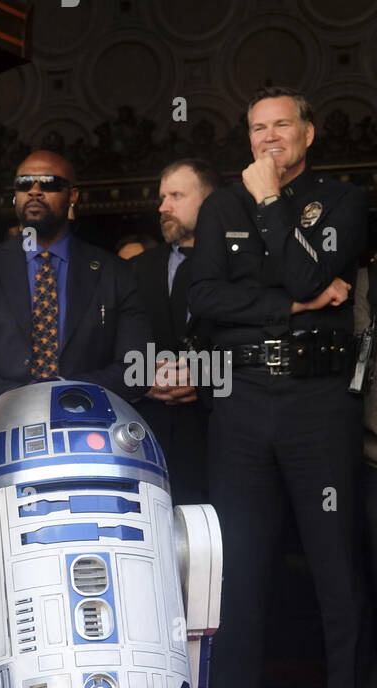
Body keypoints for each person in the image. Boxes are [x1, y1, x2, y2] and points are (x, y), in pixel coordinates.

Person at [188, 86, 377, 688]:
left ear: (309, 133)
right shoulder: (220, 207)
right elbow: (200, 298)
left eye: (282, 126)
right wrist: (293, 301)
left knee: (337, 564)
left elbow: (310, 263)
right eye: (258, 128)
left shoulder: (345, 202)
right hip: (241, 400)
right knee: (238, 564)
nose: (270, 138)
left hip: (319, 402)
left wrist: (271, 205)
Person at [0, 149, 150, 435]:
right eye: (24, 184)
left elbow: (137, 369)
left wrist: (64, 396)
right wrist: (26, 399)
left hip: (89, 432)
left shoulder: (114, 272)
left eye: (49, 183)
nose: (34, 191)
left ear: (73, 195)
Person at [129, 158, 221, 504]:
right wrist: (140, 377)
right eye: (162, 196)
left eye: (176, 196)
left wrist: (207, 376)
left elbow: (253, 342)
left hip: (218, 438)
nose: (163, 206)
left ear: (210, 202)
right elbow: (115, 342)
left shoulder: (244, 265)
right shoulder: (135, 269)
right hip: (148, 439)